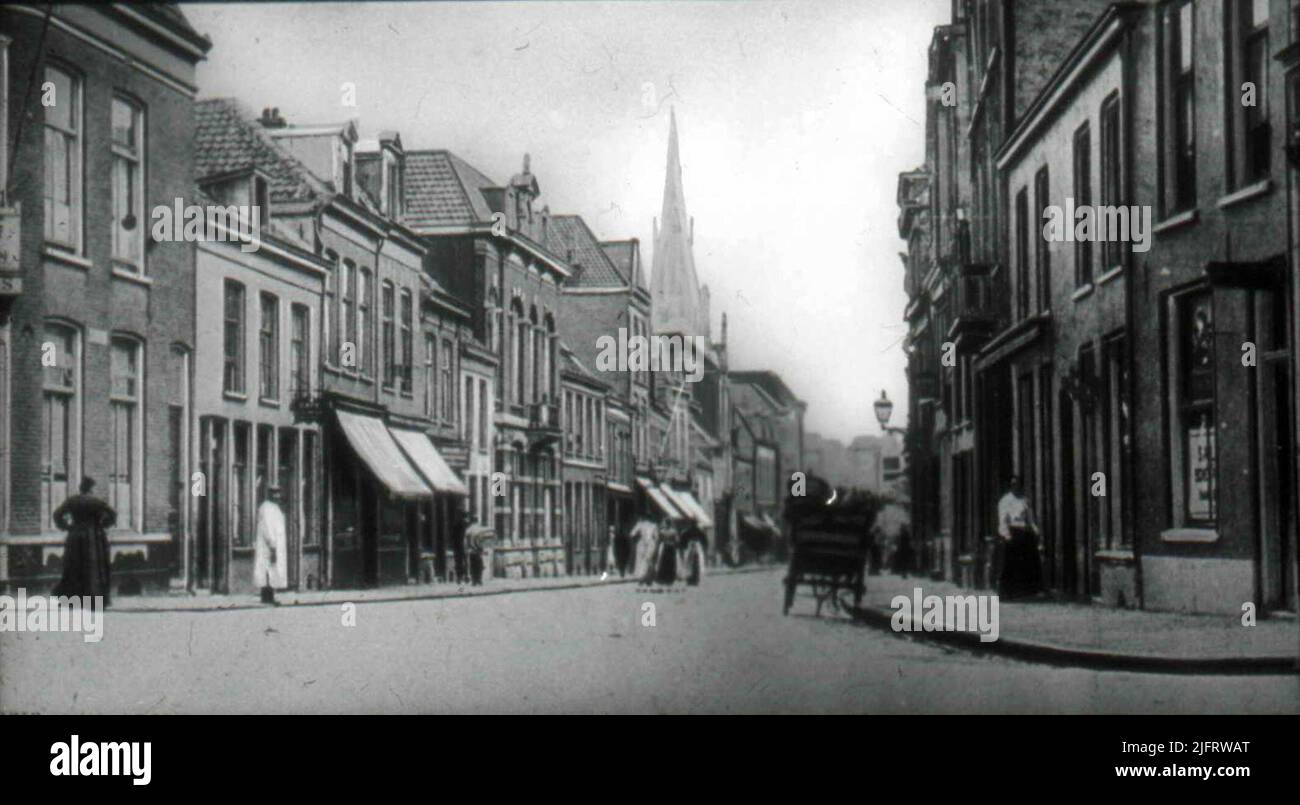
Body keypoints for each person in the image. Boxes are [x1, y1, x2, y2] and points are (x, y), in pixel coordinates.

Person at [52, 477, 116, 605]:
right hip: (93, 537)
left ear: (81, 488)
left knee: (74, 566)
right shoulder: (97, 502)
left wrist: (66, 527)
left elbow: (57, 514)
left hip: (75, 536)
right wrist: (103, 525)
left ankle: (71, 599)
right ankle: (94, 600)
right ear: (91, 488)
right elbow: (113, 514)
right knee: (93, 568)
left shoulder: (72, 501)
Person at [997, 475, 1042, 599]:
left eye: (1018, 485)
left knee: (1027, 562)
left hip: (1024, 533)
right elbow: (1003, 520)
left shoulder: (1024, 500)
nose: (1016, 487)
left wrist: (1035, 530)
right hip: (1012, 533)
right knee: (1009, 564)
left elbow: (1030, 518)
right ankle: (1007, 592)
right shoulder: (1005, 501)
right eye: (1013, 485)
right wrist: (1006, 535)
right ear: (1010, 486)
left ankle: (1026, 591)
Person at [254, 486, 289, 604]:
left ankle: (270, 595)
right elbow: (267, 527)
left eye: (278, 493)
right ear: (269, 495)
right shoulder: (266, 508)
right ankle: (267, 596)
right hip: (268, 546)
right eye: (274, 494)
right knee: (268, 569)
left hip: (275, 545)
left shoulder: (275, 508)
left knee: (272, 569)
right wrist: (272, 543)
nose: (277, 496)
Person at [680, 522, 707, 586]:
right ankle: (693, 579)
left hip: (694, 548)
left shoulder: (689, 531)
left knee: (691, 563)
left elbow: (683, 540)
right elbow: (704, 540)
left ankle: (693, 579)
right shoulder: (698, 531)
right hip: (694, 547)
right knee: (692, 563)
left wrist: (683, 546)